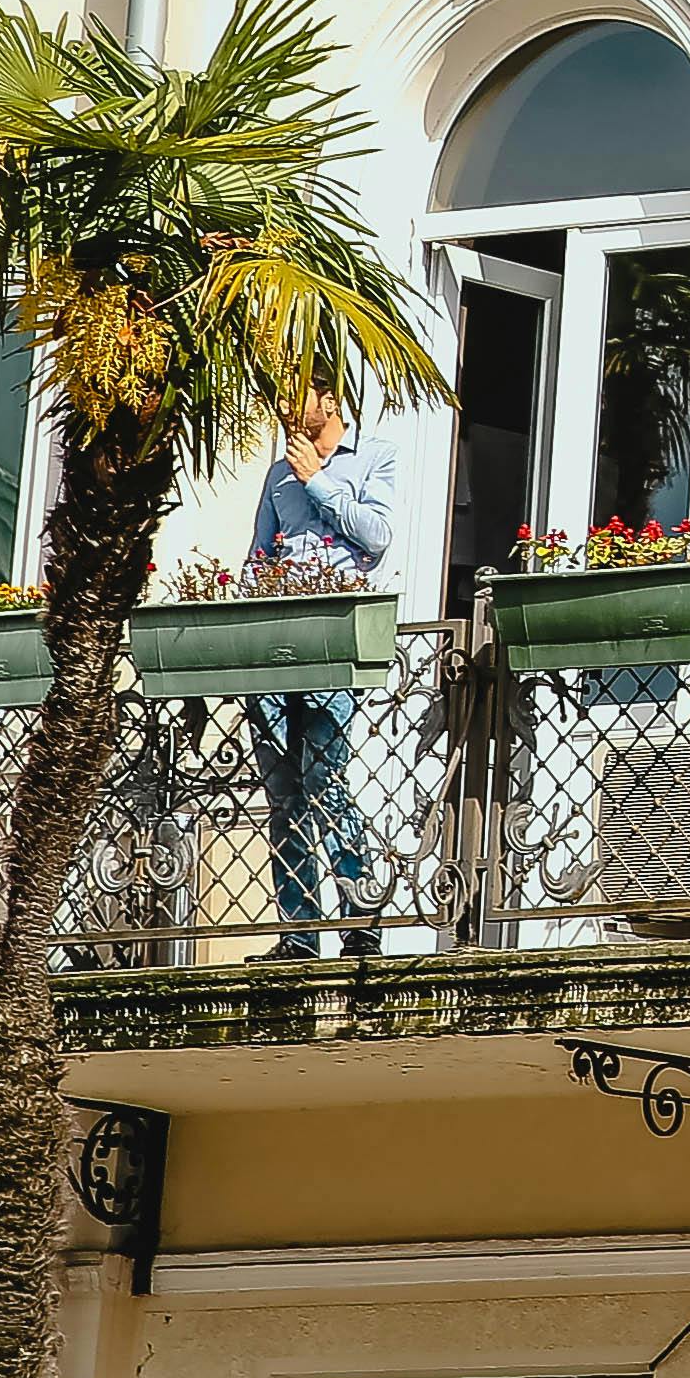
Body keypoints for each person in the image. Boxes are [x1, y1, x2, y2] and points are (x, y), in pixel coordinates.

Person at [244, 389, 396, 958]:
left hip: (332, 646)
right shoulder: (276, 473)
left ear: (330, 401)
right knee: (283, 795)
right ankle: (299, 934)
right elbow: (258, 558)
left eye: (296, 391)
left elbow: (378, 537)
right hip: (275, 646)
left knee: (326, 785)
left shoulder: (373, 456)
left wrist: (318, 481)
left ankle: (362, 923)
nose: (283, 402)